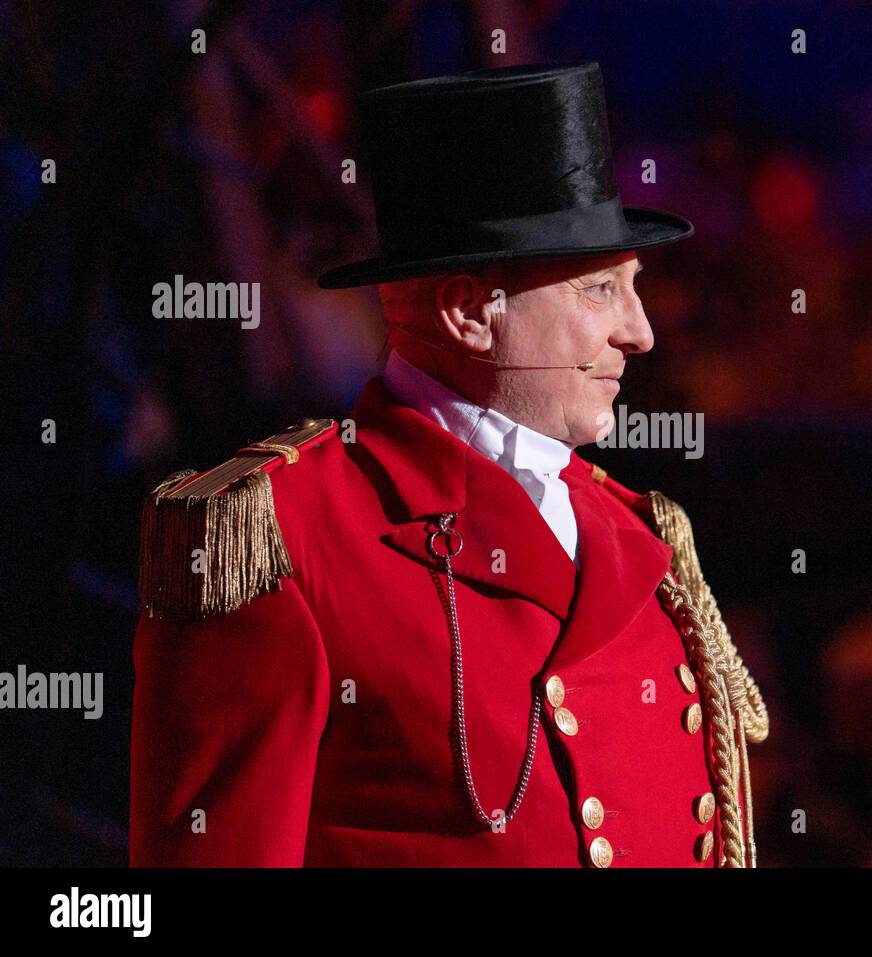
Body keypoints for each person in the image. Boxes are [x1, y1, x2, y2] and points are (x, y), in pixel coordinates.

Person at [129, 60, 768, 867]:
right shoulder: (276, 542)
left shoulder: (642, 531)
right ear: (471, 312)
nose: (639, 332)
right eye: (600, 291)